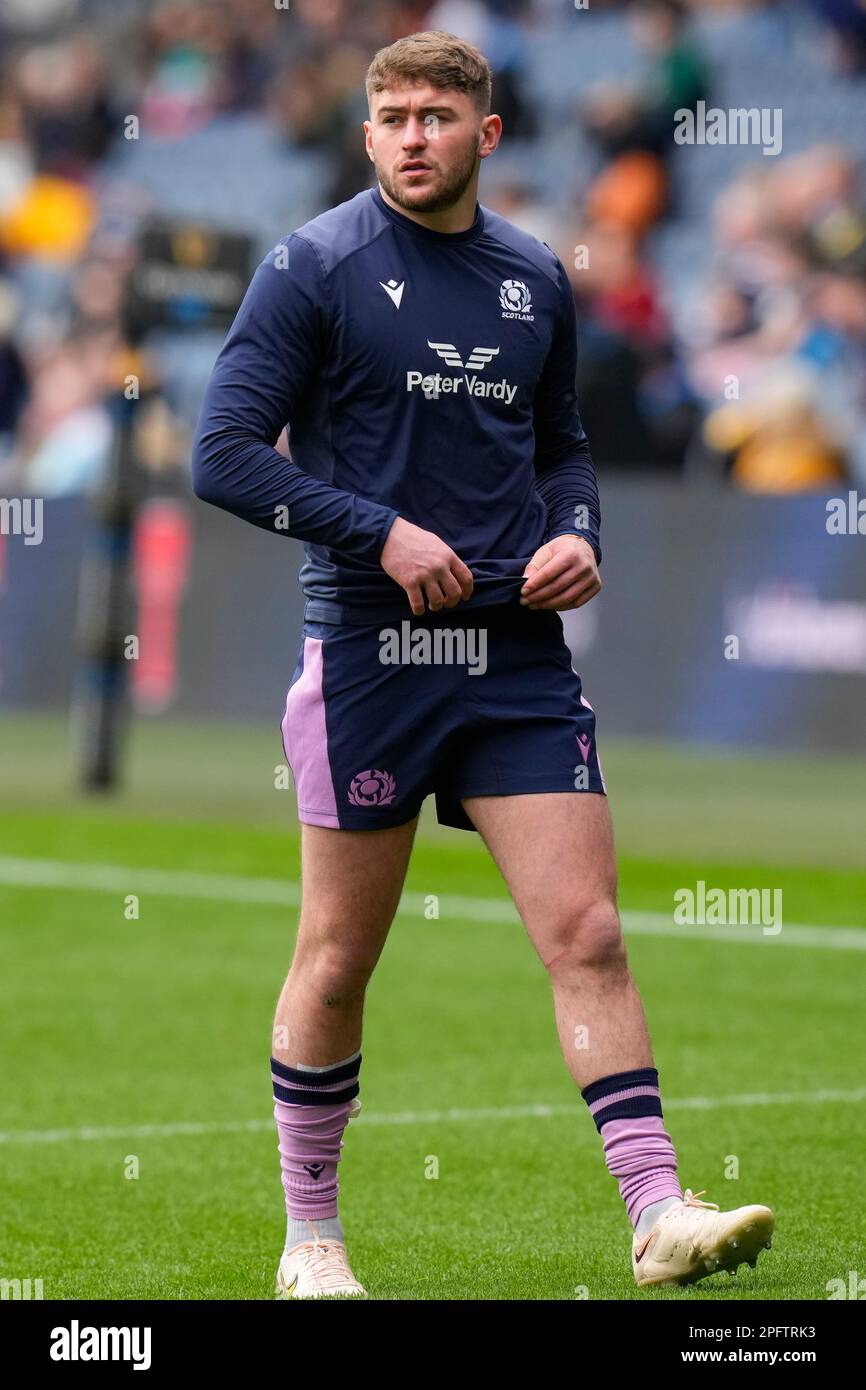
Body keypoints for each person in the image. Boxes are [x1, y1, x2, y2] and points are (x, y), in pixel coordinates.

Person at [192, 29, 774, 1299]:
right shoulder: (311, 267)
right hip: (368, 655)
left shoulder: (533, 277)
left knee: (590, 932)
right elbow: (223, 456)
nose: (411, 135)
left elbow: (561, 445)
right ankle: (311, 1240)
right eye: (389, 115)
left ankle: (656, 1211)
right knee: (339, 958)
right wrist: (379, 531)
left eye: (434, 117)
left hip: (514, 656)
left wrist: (579, 530)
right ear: (365, 135)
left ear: (485, 135)